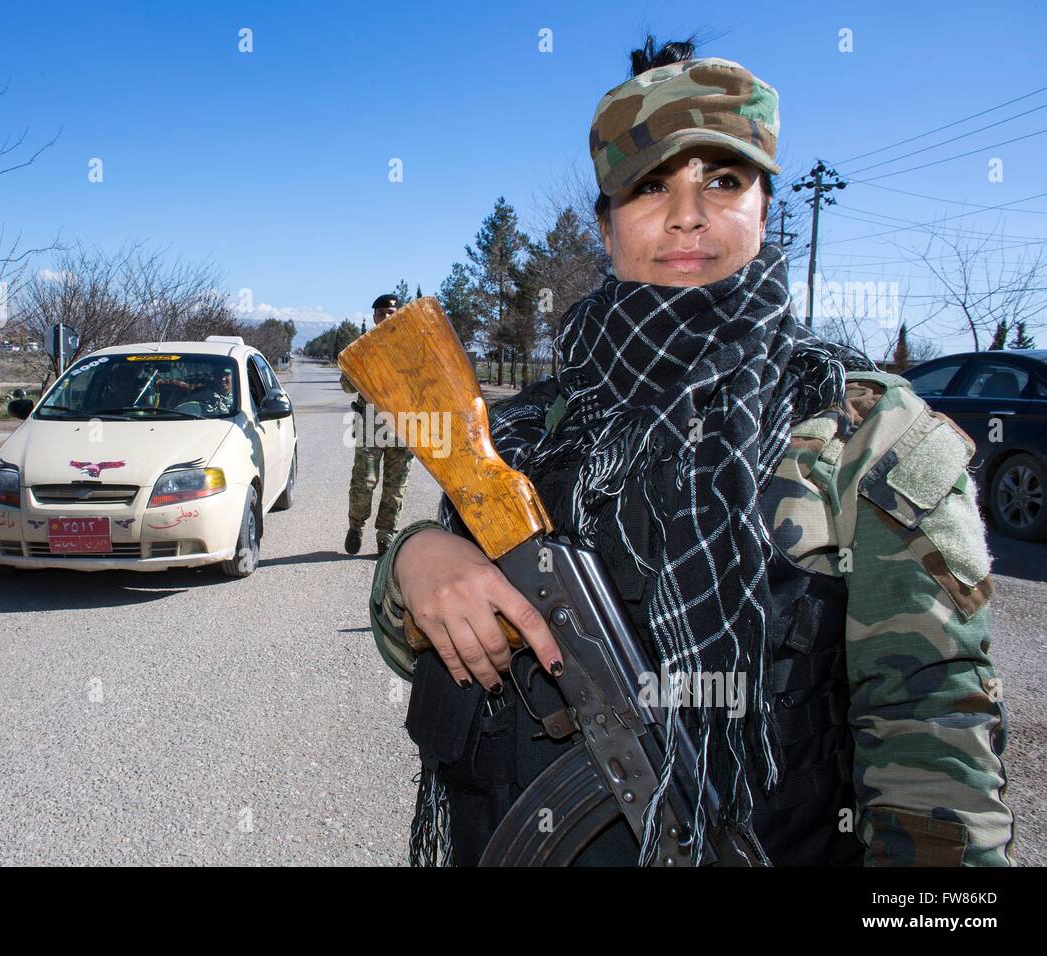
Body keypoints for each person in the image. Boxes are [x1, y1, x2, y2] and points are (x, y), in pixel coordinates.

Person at [368, 37, 1015, 867]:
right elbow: (414, 634)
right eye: (649, 187)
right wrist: (415, 560)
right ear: (604, 226)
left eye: (724, 179)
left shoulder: (862, 435)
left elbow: (935, 738)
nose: (688, 214)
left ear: (766, 206)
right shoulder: (526, 432)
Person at [342, 294, 415, 556]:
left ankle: (386, 536)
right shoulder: (364, 347)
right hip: (371, 427)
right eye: (382, 313)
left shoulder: (412, 348)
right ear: (374, 317)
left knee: (395, 489)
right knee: (364, 482)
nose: (386, 318)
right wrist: (363, 366)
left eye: (391, 313)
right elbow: (346, 385)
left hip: (404, 429)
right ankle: (356, 526)